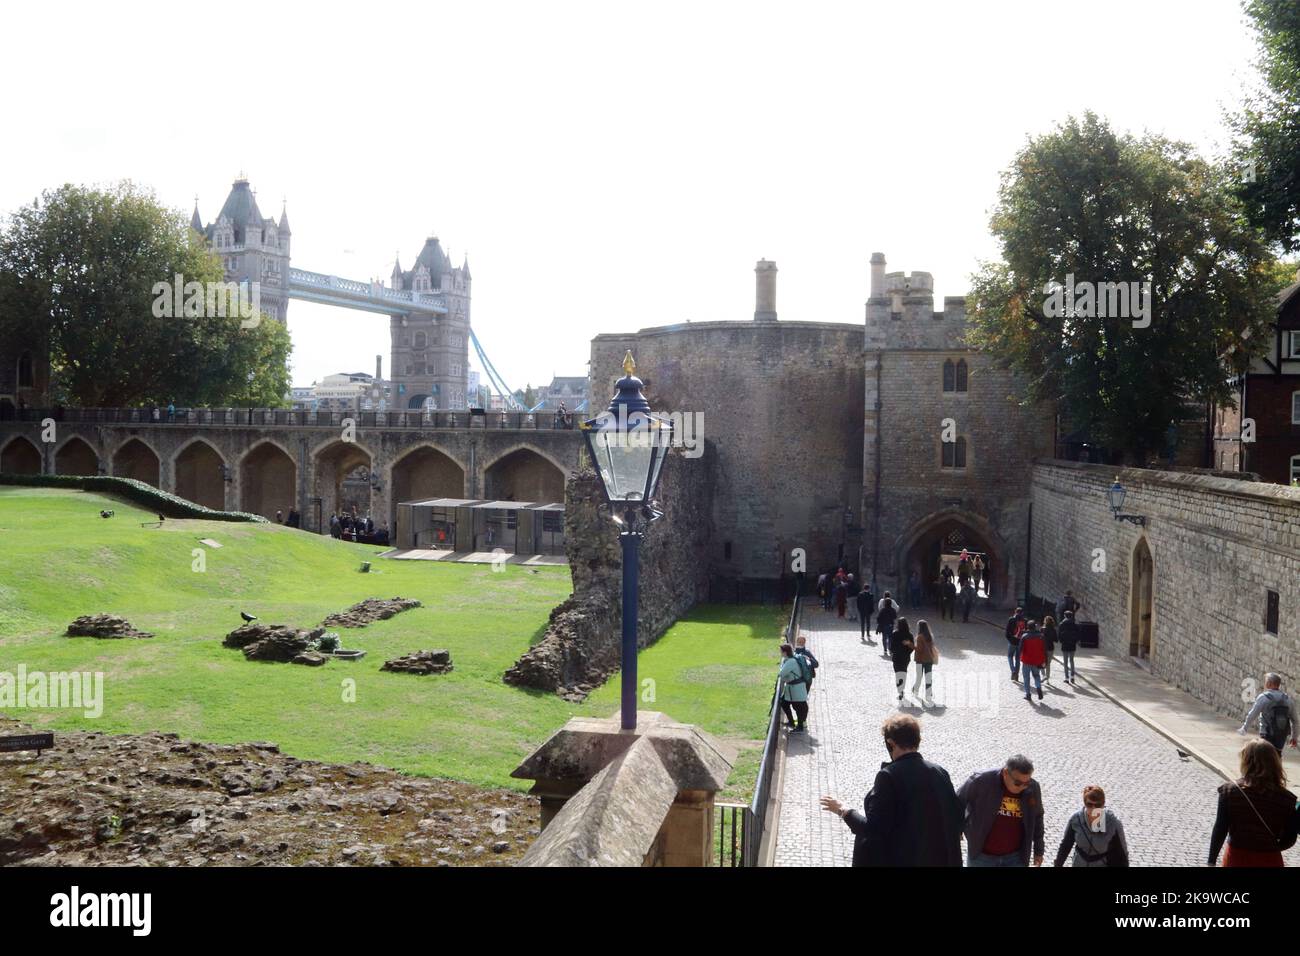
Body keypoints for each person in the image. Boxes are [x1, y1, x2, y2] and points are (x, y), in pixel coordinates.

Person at [819, 714, 962, 866]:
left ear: (891, 743)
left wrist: (843, 810)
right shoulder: (940, 771)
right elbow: (957, 816)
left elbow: (873, 829)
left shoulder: (888, 776)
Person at [1208, 739, 1299, 866]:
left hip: (1236, 857)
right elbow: (1290, 838)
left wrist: (1211, 861)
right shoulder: (1286, 799)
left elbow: (1220, 828)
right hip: (1270, 859)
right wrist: (1271, 846)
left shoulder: (1229, 791)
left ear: (1246, 762)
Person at [957, 755, 1046, 867]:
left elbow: (1037, 818)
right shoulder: (981, 781)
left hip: (1016, 858)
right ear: (1005, 773)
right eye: (1018, 783)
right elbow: (957, 802)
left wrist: (1039, 850)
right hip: (981, 856)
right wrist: (958, 828)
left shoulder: (1033, 787)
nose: (1022, 787)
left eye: (1026, 783)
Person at [1054, 785, 1129, 867]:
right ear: (1084, 803)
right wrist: (1057, 864)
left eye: (1097, 805)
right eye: (1089, 804)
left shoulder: (1113, 824)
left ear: (1103, 804)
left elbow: (1122, 853)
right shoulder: (1076, 820)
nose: (1093, 808)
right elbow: (1065, 846)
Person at [1239, 673, 1300, 753]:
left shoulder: (1263, 697)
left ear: (1269, 683)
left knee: (1265, 756)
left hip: (1266, 733)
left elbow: (1253, 714)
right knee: (1277, 754)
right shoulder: (1288, 699)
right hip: (1281, 734)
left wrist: (1244, 728)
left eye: (1265, 682)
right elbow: (1295, 721)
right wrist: (1294, 737)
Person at [777, 643, 810, 734]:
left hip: (796, 690)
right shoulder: (791, 659)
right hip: (793, 690)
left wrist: (781, 669)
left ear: (785, 652)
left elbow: (781, 673)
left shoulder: (791, 661)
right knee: (784, 703)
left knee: (800, 708)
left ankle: (800, 727)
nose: (780, 653)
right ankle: (793, 722)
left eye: (781, 651)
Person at [911, 620, 938, 705]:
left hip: (920, 660)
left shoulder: (919, 637)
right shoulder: (930, 636)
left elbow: (919, 649)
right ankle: (928, 695)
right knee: (928, 677)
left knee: (919, 676)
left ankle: (915, 690)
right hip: (929, 659)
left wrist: (911, 645)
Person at [1019, 619, 1046, 702]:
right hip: (1036, 660)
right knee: (1036, 676)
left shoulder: (1024, 636)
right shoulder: (1041, 636)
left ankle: (1028, 694)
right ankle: (1038, 687)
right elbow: (1044, 649)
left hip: (1026, 660)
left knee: (1026, 678)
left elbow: (1020, 649)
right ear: (1035, 627)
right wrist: (1044, 660)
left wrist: (1019, 657)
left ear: (1028, 627)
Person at [891, 616, 916, 702]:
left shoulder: (895, 634)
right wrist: (907, 653)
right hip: (905, 658)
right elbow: (912, 647)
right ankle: (902, 689)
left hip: (896, 657)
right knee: (903, 672)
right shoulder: (909, 635)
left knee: (898, 674)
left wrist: (893, 651)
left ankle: (900, 691)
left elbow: (891, 646)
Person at [1058, 610, 1080, 684]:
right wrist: (1075, 641)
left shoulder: (1062, 624)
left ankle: (1066, 678)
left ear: (1065, 616)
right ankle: (1072, 676)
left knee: (1065, 662)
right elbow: (1078, 635)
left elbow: (1059, 635)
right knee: (1071, 660)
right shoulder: (1075, 625)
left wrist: (1061, 641)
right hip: (1072, 645)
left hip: (1065, 645)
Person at [1005, 607, 1026, 681]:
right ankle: (1016, 675)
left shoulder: (1011, 619)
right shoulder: (1024, 620)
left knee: (1010, 656)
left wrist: (1010, 639)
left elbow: (1007, 632)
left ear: (1015, 611)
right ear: (1022, 613)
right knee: (1018, 659)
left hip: (1012, 641)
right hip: (1020, 642)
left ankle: (1013, 670)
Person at [877, 593, 898, 657]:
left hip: (884, 625)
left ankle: (885, 649)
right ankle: (890, 649)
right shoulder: (893, 610)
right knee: (890, 637)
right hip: (890, 625)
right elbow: (895, 617)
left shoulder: (882, 610)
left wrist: (879, 624)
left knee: (884, 637)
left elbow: (879, 618)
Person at [1041, 614, 1057, 683]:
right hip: (1050, 647)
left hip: (1043, 648)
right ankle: (1047, 679)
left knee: (1041, 662)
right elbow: (1056, 640)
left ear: (1045, 621)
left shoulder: (1042, 629)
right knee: (1048, 664)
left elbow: (1040, 639)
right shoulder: (1053, 630)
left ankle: (1044, 675)